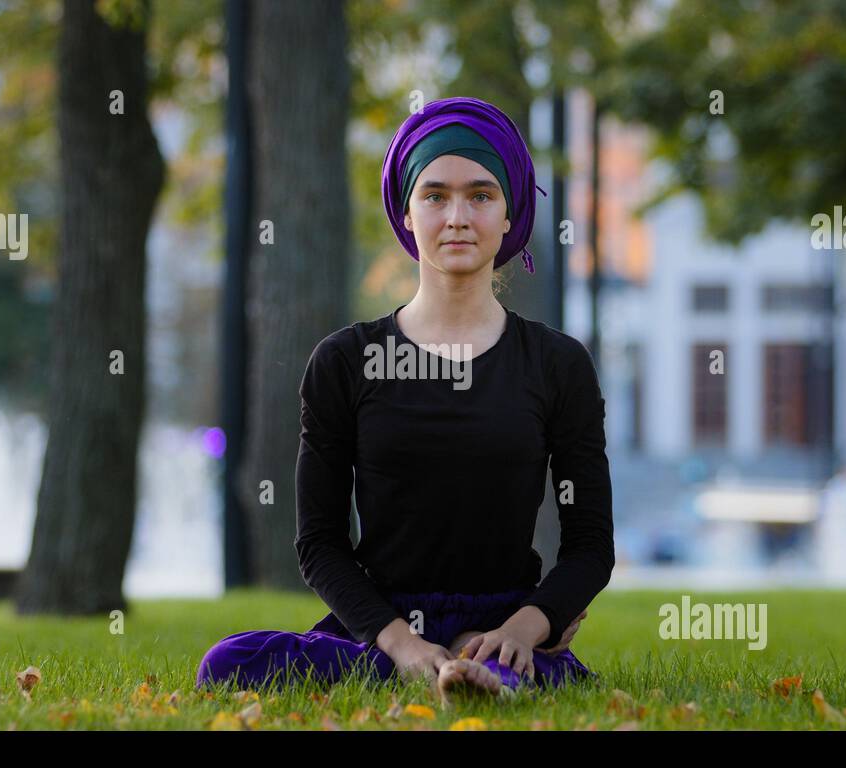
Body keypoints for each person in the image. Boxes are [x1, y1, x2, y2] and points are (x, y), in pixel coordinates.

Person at [197, 97, 615, 699]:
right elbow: (319, 542)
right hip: (380, 625)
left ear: (509, 213)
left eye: (481, 195)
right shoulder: (345, 361)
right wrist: (400, 642)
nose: (457, 217)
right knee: (228, 662)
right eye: (435, 196)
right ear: (406, 211)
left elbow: (590, 546)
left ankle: (491, 670)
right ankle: (424, 670)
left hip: (498, 623)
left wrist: (526, 627)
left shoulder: (557, 364)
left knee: (509, 661)